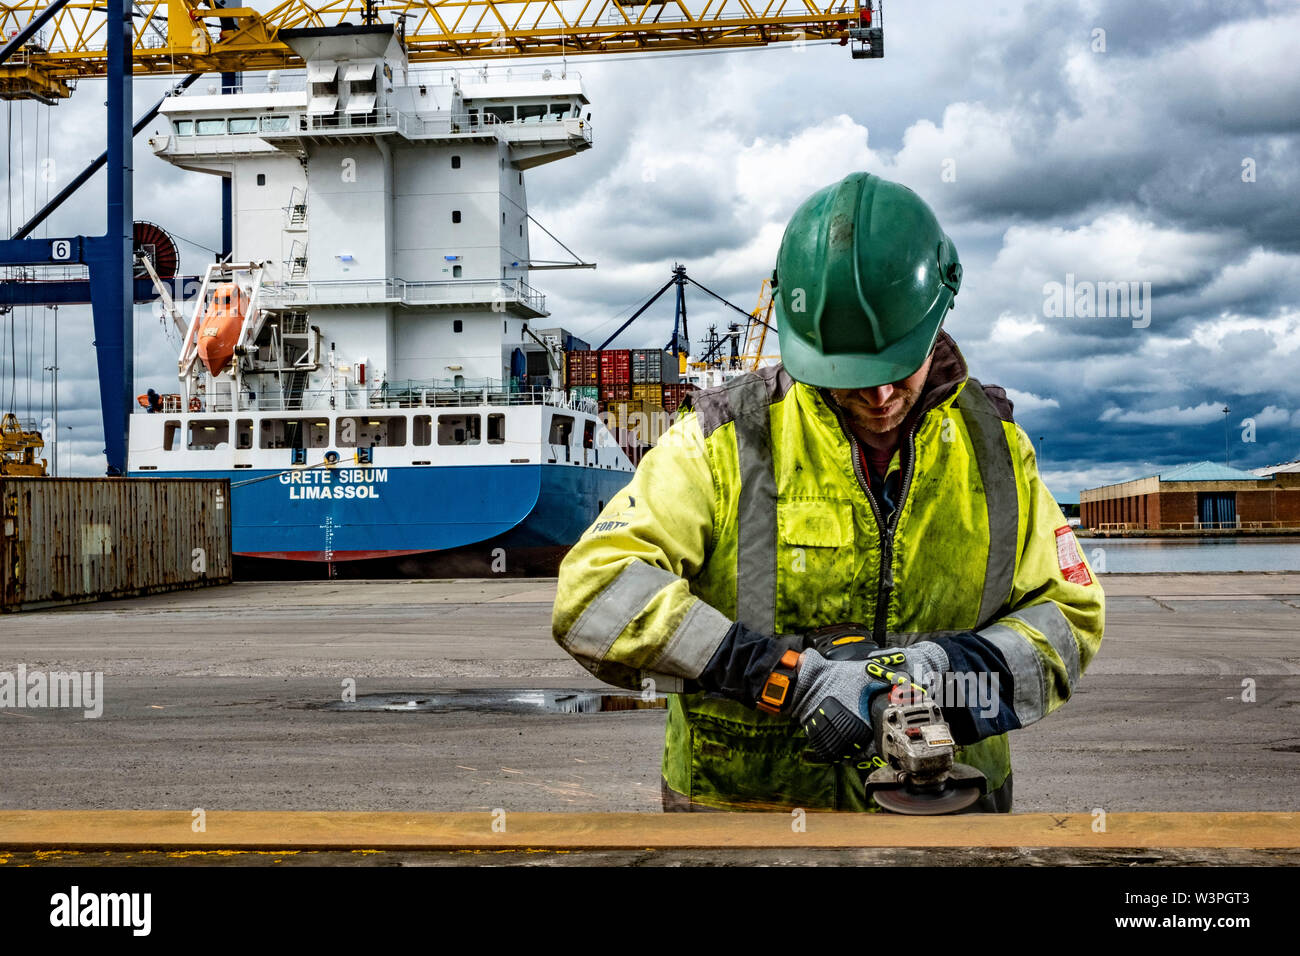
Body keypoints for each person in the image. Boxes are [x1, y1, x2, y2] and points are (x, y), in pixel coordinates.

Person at [551, 171, 1104, 812]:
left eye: (898, 367)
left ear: (941, 314)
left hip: (949, 811)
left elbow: (1068, 617)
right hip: (745, 819)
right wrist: (783, 675)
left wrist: (946, 675)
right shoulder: (721, 440)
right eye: (852, 375)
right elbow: (595, 592)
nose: (879, 396)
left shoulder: (997, 449)